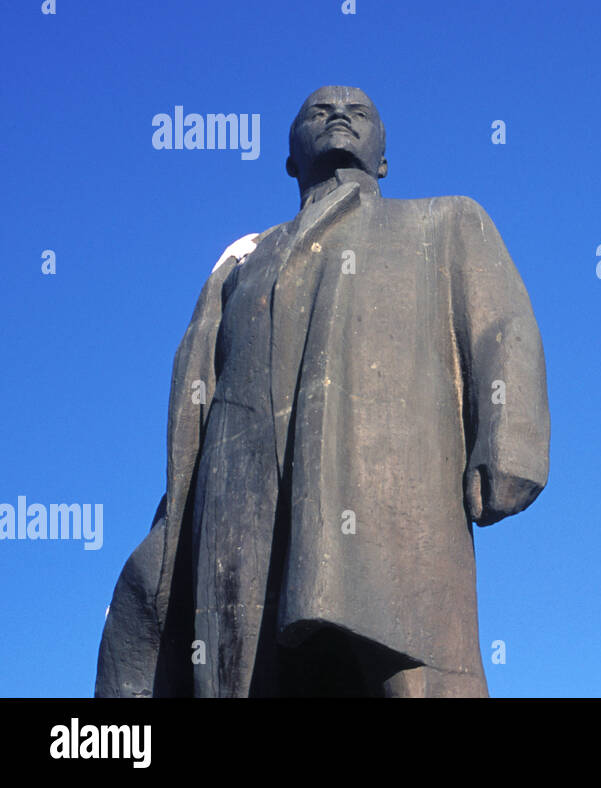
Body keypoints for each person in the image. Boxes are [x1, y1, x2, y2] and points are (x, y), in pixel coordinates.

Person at [96, 86, 550, 697]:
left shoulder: (443, 222)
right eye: (319, 111)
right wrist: (177, 519)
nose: (339, 115)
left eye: (359, 113)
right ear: (289, 156)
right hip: (243, 509)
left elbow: (503, 325)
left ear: (384, 159)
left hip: (392, 496)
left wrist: (511, 433)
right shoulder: (241, 262)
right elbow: (196, 396)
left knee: (415, 679)